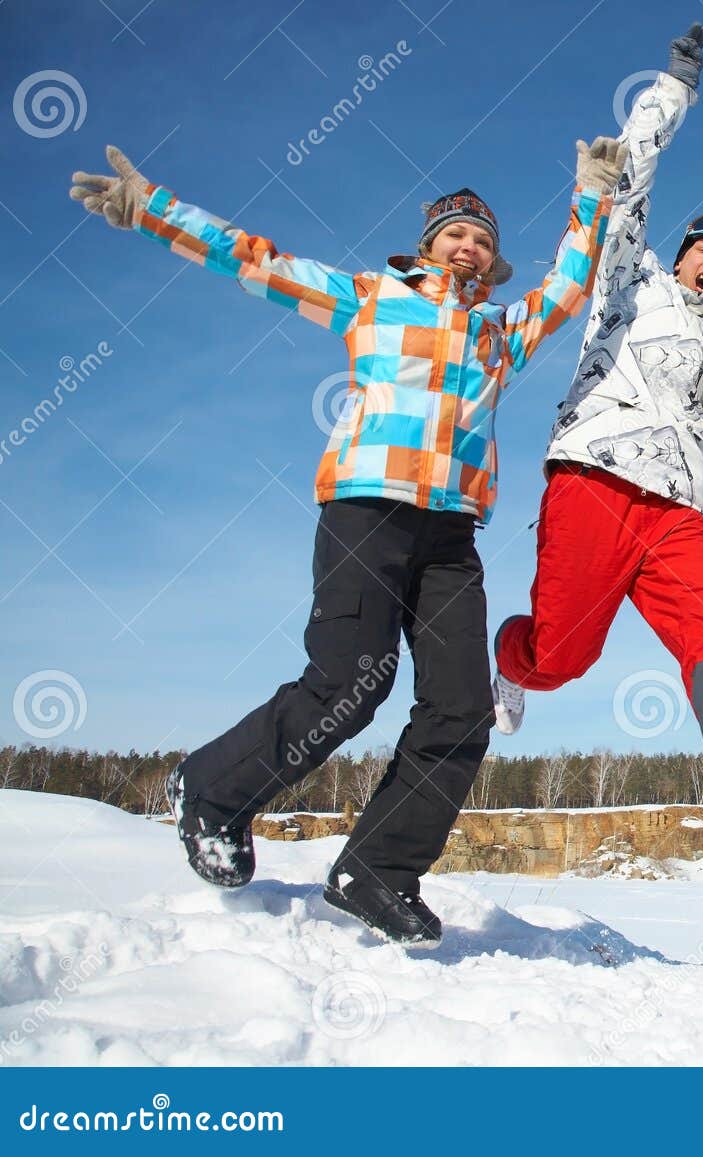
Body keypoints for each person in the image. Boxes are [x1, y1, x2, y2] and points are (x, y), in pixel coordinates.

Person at [68, 133, 622, 944]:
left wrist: (592, 194)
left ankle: (377, 869)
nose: (469, 246)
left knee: (464, 709)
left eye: (484, 241)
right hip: (367, 509)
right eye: (456, 234)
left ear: (494, 264)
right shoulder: (369, 296)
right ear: (428, 244)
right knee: (352, 684)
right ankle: (211, 792)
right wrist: (153, 211)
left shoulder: (502, 331)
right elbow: (256, 260)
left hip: (451, 537)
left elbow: (572, 286)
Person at [491, 25, 703, 841]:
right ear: (680, 253)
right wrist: (673, 92)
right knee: (563, 655)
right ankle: (510, 661)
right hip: (595, 477)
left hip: (676, 507)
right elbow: (626, 190)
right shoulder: (629, 285)